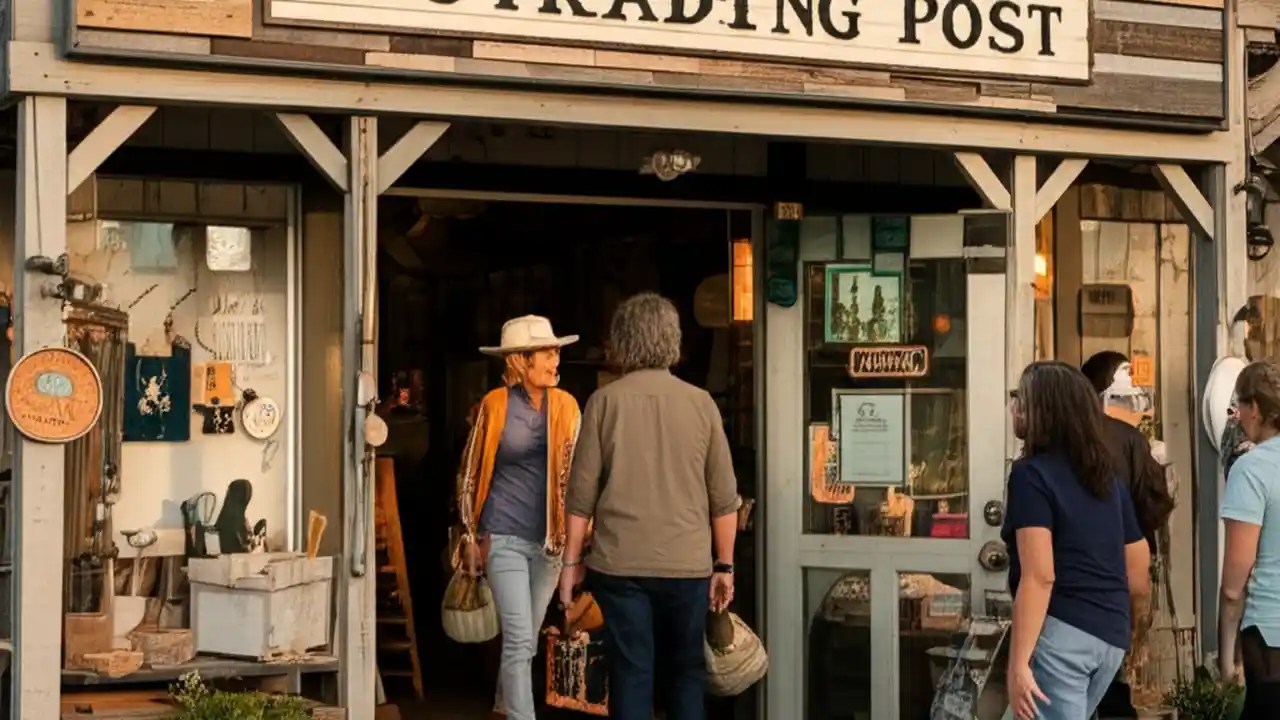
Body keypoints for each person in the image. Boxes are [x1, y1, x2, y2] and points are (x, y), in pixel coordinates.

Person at [559, 292, 740, 720]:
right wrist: (725, 565)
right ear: (673, 340)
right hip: (687, 566)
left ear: (623, 341)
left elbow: (580, 497)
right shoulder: (702, 403)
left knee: (631, 674)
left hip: (620, 566)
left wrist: (570, 564)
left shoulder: (604, 402)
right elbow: (723, 497)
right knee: (686, 675)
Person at [1003, 361, 1151, 720]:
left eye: (1021, 399)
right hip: (1109, 636)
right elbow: (1137, 567)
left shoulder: (1030, 475)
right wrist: (1132, 627)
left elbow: (1040, 576)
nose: (1014, 407)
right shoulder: (1106, 479)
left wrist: (1018, 664)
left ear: (1044, 411)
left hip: (1062, 635)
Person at [454, 315, 583, 720]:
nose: (556, 359)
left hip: (550, 543)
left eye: (556, 351)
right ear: (521, 361)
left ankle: (502, 705)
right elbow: (470, 470)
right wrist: (470, 533)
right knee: (518, 638)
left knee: (526, 642)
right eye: (547, 352)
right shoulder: (494, 405)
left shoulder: (567, 406)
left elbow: (579, 474)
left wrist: (580, 540)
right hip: (503, 534)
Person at [1218, 360, 1280, 718]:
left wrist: (1227, 660)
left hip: (1270, 637)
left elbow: (1233, 588)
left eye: (1238, 405)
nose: (1237, 416)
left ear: (1255, 407)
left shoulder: (1252, 469)